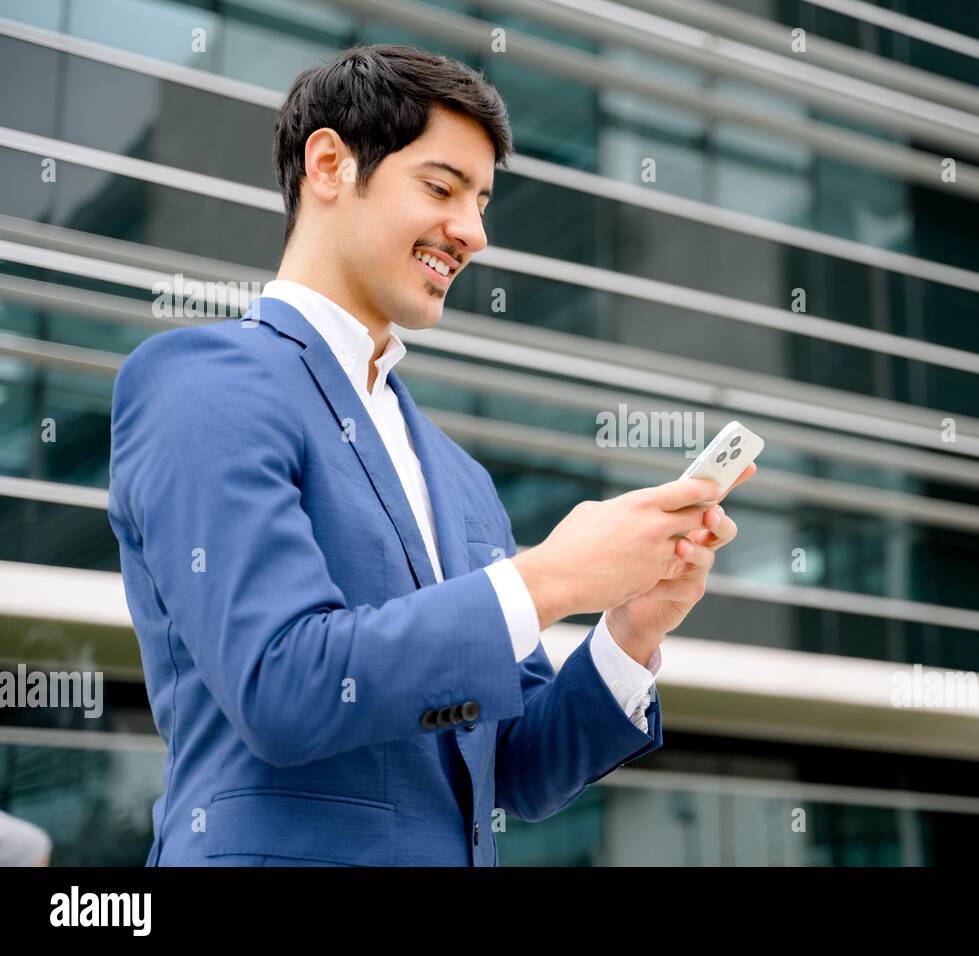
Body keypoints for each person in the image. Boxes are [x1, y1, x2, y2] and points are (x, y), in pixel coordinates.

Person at [107, 44, 753, 866]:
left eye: (483, 203)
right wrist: (555, 577)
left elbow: (513, 768)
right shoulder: (203, 382)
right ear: (331, 164)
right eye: (442, 189)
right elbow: (282, 686)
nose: (473, 233)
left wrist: (629, 629)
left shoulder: (460, 478)